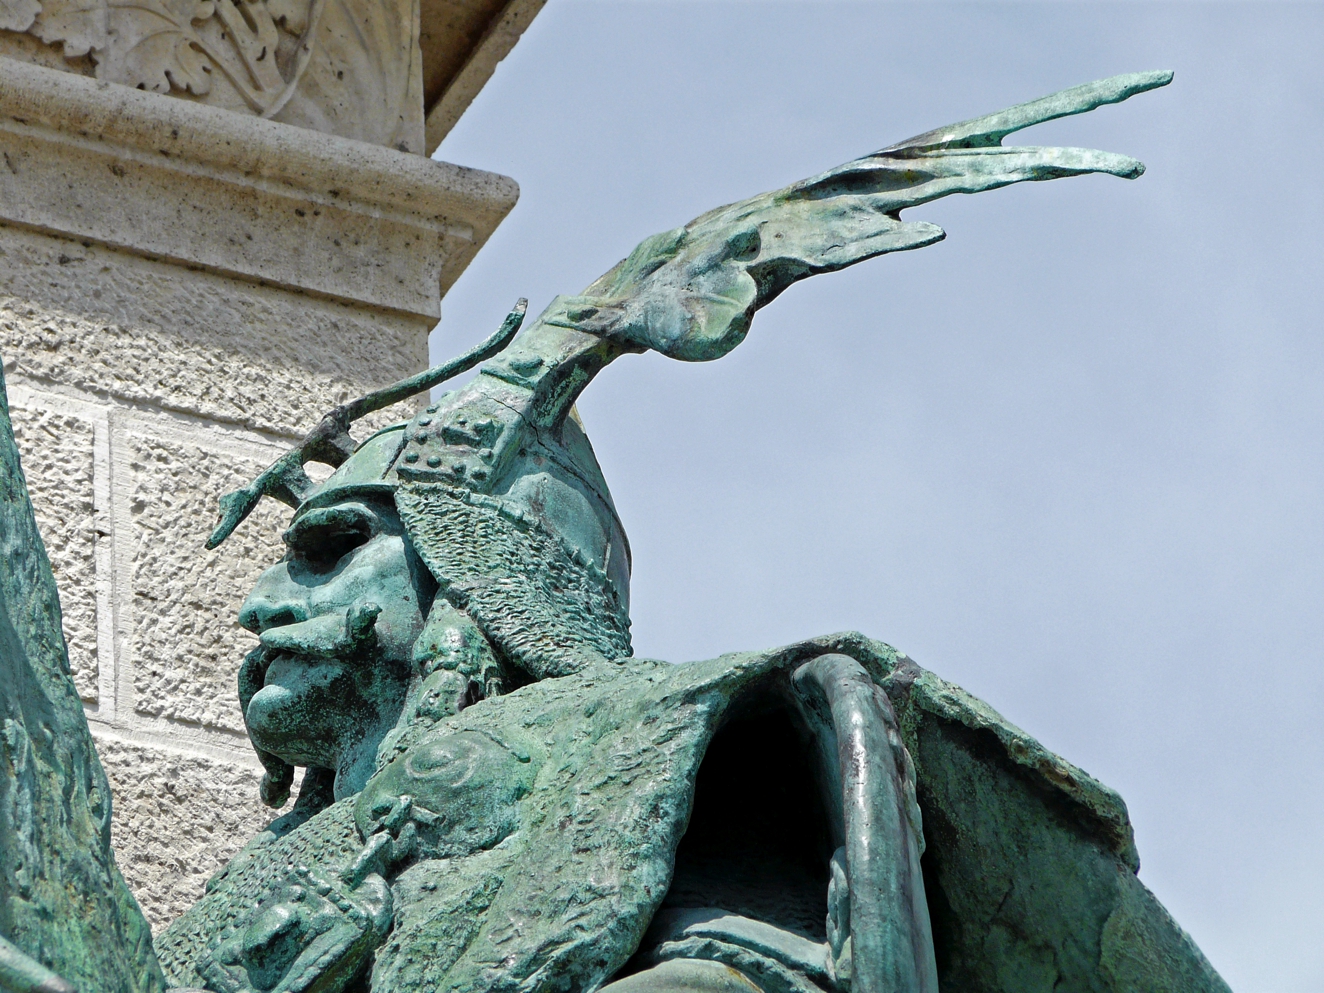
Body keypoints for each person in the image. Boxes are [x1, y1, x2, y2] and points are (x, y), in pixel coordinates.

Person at [155, 72, 1227, 993]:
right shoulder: (232, 905)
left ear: (475, 564)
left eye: (336, 544)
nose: (261, 603)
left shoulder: (650, 743)